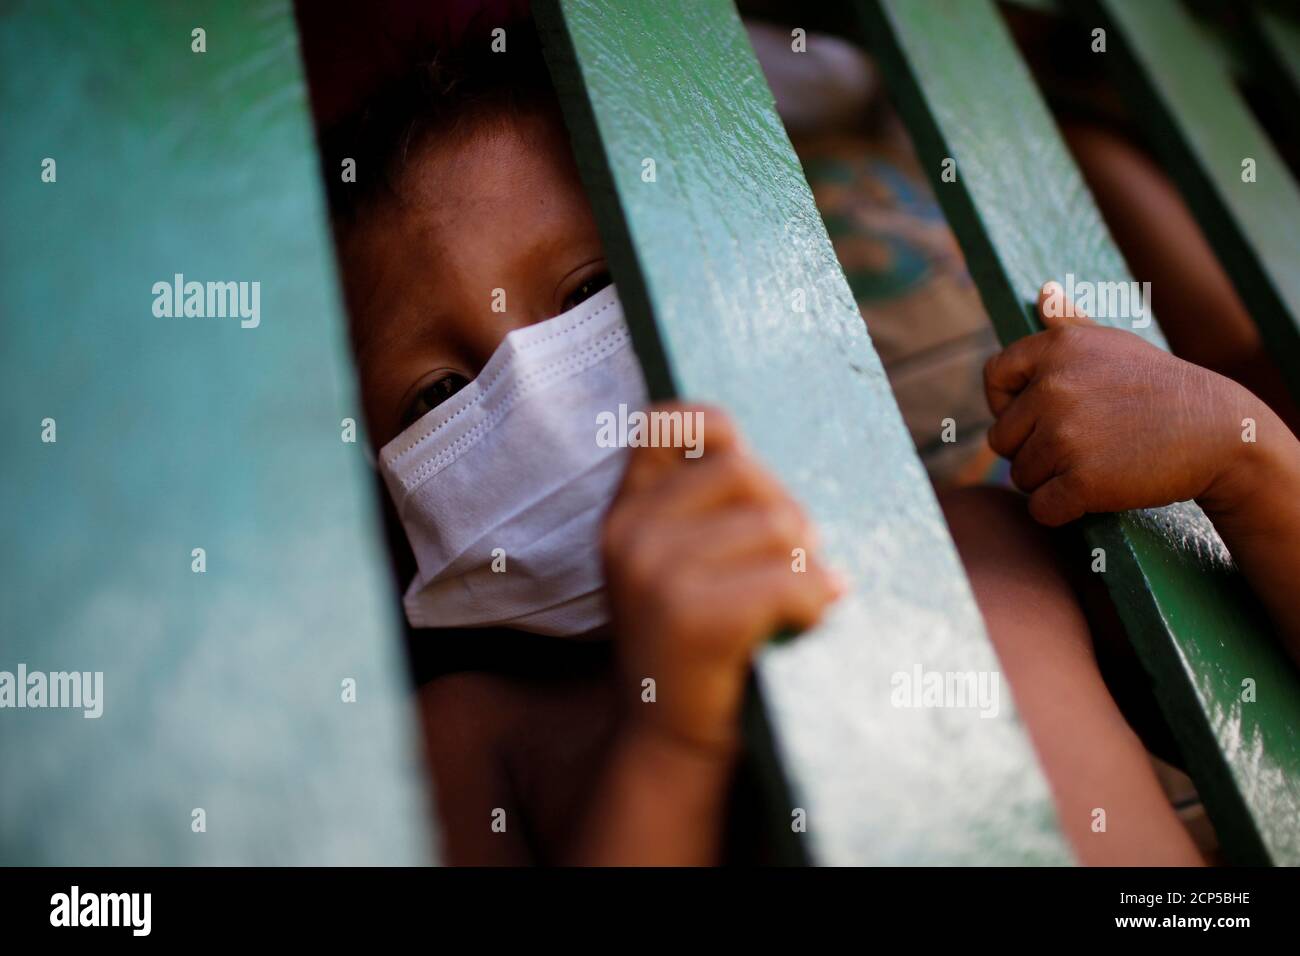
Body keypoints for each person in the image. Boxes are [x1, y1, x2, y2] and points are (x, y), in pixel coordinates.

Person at [323, 34, 1300, 865]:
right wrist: (670, 741)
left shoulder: (978, 539)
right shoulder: (471, 735)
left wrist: (1246, 456)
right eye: (438, 393)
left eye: (584, 292)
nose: (532, 397)